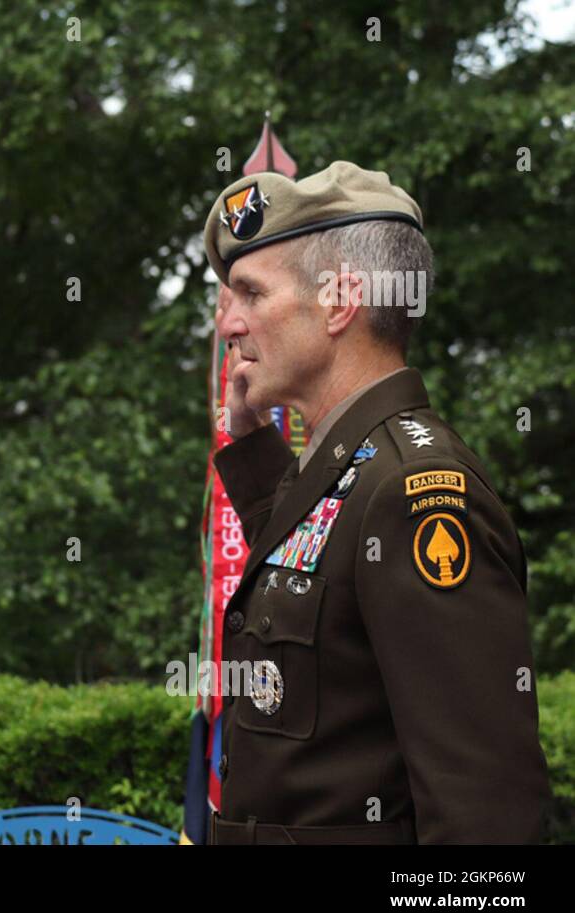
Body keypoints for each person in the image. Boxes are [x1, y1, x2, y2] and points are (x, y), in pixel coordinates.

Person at [203, 160, 551, 844]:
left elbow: (486, 816)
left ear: (339, 301)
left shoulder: (418, 494)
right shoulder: (349, 466)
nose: (230, 325)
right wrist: (247, 446)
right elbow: (314, 575)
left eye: (249, 292)